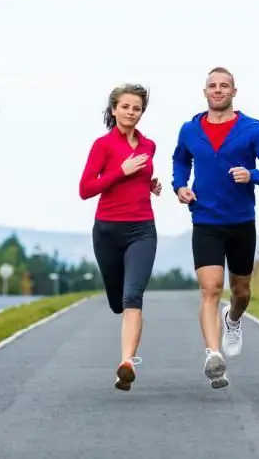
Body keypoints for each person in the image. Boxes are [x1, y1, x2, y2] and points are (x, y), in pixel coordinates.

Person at [171, 67, 259, 389]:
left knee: (240, 291)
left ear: (234, 92)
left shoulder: (252, 129)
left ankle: (232, 319)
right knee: (210, 289)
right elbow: (181, 161)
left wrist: (253, 175)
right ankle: (213, 355)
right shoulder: (190, 130)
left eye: (224, 86)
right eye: (212, 86)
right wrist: (180, 186)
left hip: (240, 222)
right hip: (205, 219)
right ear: (204, 92)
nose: (218, 90)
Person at [79, 83, 161, 392]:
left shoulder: (149, 145)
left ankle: (126, 363)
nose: (131, 112)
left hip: (142, 229)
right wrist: (122, 172)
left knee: (132, 297)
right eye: (125, 106)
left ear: (142, 113)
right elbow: (86, 189)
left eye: (137, 108)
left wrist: (149, 184)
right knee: (117, 301)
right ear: (114, 110)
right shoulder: (103, 146)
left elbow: (139, 178)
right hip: (107, 231)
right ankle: (125, 346)